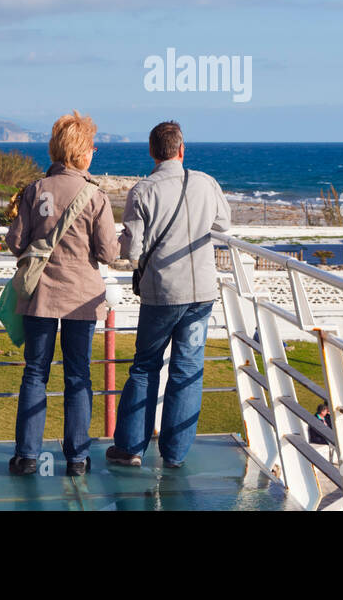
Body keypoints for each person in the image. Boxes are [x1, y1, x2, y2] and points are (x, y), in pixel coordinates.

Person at [107, 121, 231, 469]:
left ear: (152, 152)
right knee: (187, 368)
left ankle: (131, 447)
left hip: (163, 292)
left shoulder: (142, 191)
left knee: (146, 367)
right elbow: (225, 225)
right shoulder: (205, 183)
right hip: (201, 291)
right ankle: (175, 454)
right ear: (181, 149)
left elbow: (132, 249)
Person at [5, 111, 119, 477]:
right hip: (81, 299)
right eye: (92, 147)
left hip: (39, 295)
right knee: (78, 376)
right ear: (82, 152)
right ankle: (77, 459)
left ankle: (26, 456)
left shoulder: (34, 190)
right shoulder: (95, 196)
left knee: (35, 374)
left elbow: (16, 242)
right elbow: (108, 253)